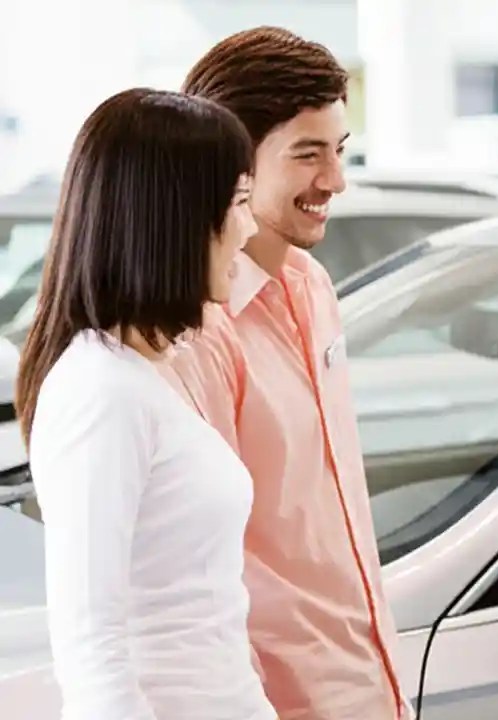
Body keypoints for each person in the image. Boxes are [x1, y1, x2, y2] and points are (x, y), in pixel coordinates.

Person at [161, 27, 406, 719]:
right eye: (308, 155)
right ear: (232, 162)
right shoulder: (197, 330)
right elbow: (194, 572)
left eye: (340, 151)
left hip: (367, 682)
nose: (335, 180)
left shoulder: (311, 284)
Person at [16, 88, 273, 719]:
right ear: (178, 217)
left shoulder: (152, 370)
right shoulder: (100, 391)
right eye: (239, 202)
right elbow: (90, 638)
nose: (251, 226)